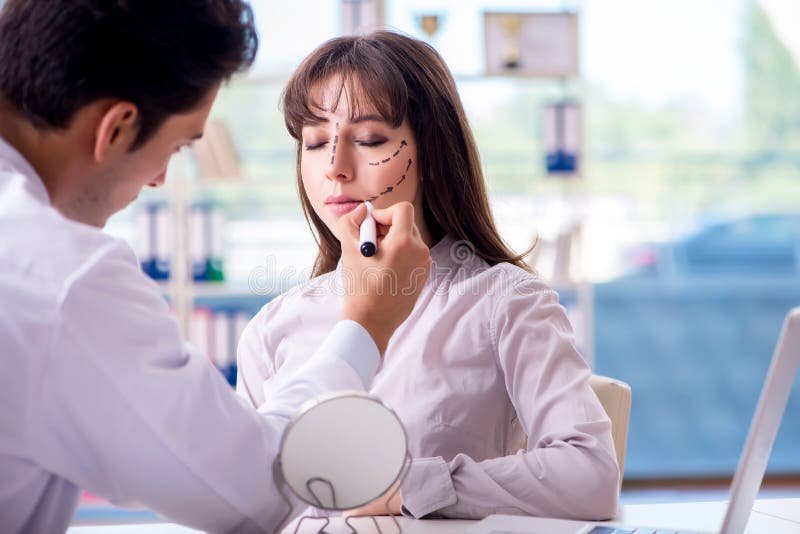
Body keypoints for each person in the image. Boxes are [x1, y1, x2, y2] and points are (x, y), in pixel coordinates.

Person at [0, 2, 430, 533]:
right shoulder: (64, 280)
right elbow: (254, 491)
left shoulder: (500, 302)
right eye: (177, 146)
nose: (159, 179)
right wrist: (366, 325)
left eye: (369, 140)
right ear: (116, 129)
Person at [237, 30, 620, 521]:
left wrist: (401, 488)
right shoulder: (272, 328)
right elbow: (242, 501)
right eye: (314, 143)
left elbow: (590, 476)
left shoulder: (504, 302)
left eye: (369, 140)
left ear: (434, 156)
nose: (334, 167)